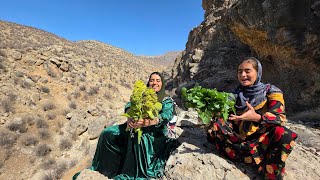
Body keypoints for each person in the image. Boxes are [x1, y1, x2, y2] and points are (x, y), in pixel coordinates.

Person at [73, 72, 178, 180]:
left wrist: (148, 122)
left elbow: (167, 115)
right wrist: (129, 117)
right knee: (108, 133)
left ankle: (131, 173)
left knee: (139, 139)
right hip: (134, 126)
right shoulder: (143, 95)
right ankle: (106, 169)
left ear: (162, 83)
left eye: (158, 80)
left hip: (153, 133)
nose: (154, 83)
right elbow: (130, 105)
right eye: (152, 80)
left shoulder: (166, 100)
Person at [206, 57, 297, 179]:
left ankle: (266, 170)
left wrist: (257, 117)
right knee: (217, 122)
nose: (243, 75)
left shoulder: (271, 91)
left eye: (247, 71)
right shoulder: (235, 93)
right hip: (237, 139)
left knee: (285, 134)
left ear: (258, 72)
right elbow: (224, 114)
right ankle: (244, 156)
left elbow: (280, 117)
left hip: (259, 140)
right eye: (240, 71)